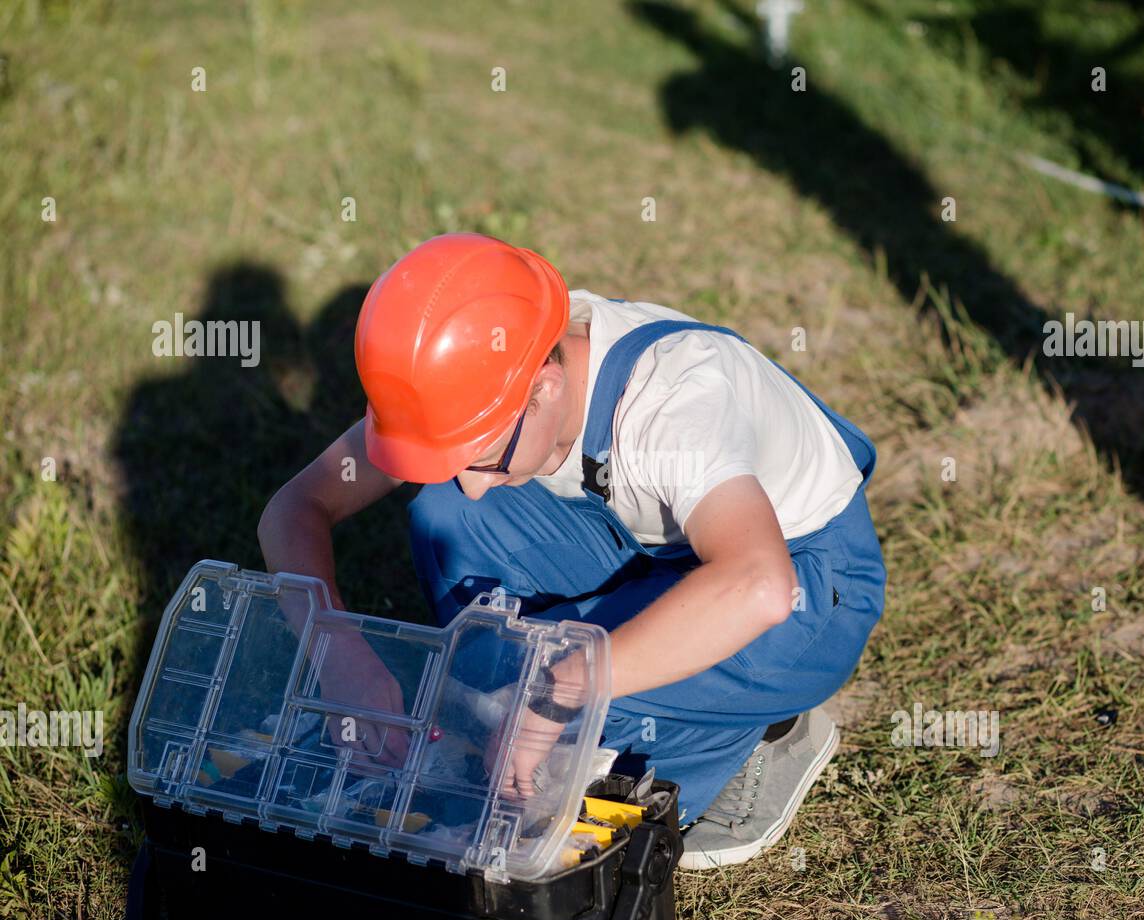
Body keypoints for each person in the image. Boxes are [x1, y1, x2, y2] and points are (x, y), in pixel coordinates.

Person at [257, 232, 886, 869]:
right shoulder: (484, 372)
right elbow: (293, 510)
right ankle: (541, 699)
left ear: (547, 385)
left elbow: (758, 585)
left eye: (483, 456)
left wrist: (561, 690)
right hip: (658, 544)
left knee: (586, 722)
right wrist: (338, 652)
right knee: (446, 517)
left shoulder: (675, 408)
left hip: (806, 580)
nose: (473, 481)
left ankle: (762, 739)